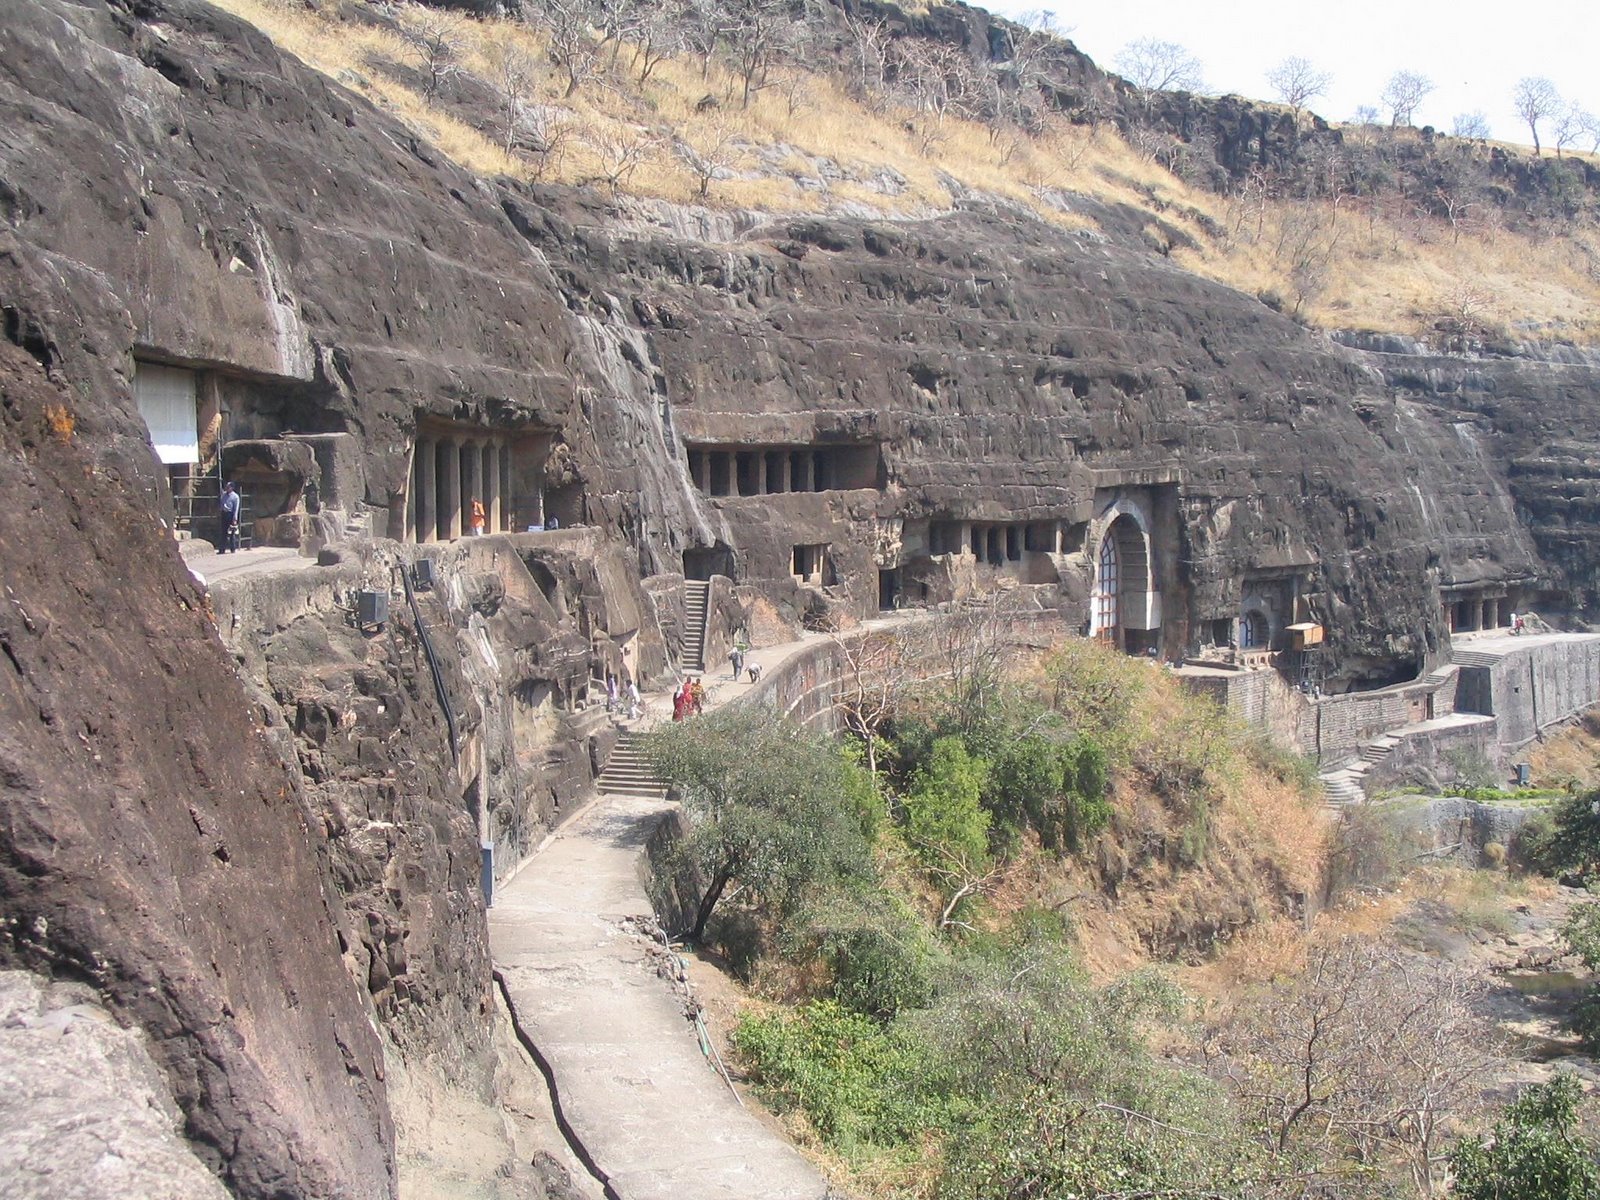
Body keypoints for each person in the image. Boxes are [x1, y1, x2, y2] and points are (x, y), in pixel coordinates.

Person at [218, 481, 241, 553]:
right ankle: (222, 549)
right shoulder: (224, 495)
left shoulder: (235, 496)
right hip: (224, 514)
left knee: (232, 532)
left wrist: (235, 518)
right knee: (223, 532)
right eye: (226, 487)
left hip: (230, 514)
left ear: (232, 488)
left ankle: (232, 548)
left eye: (228, 487)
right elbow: (221, 503)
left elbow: (236, 508)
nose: (227, 488)